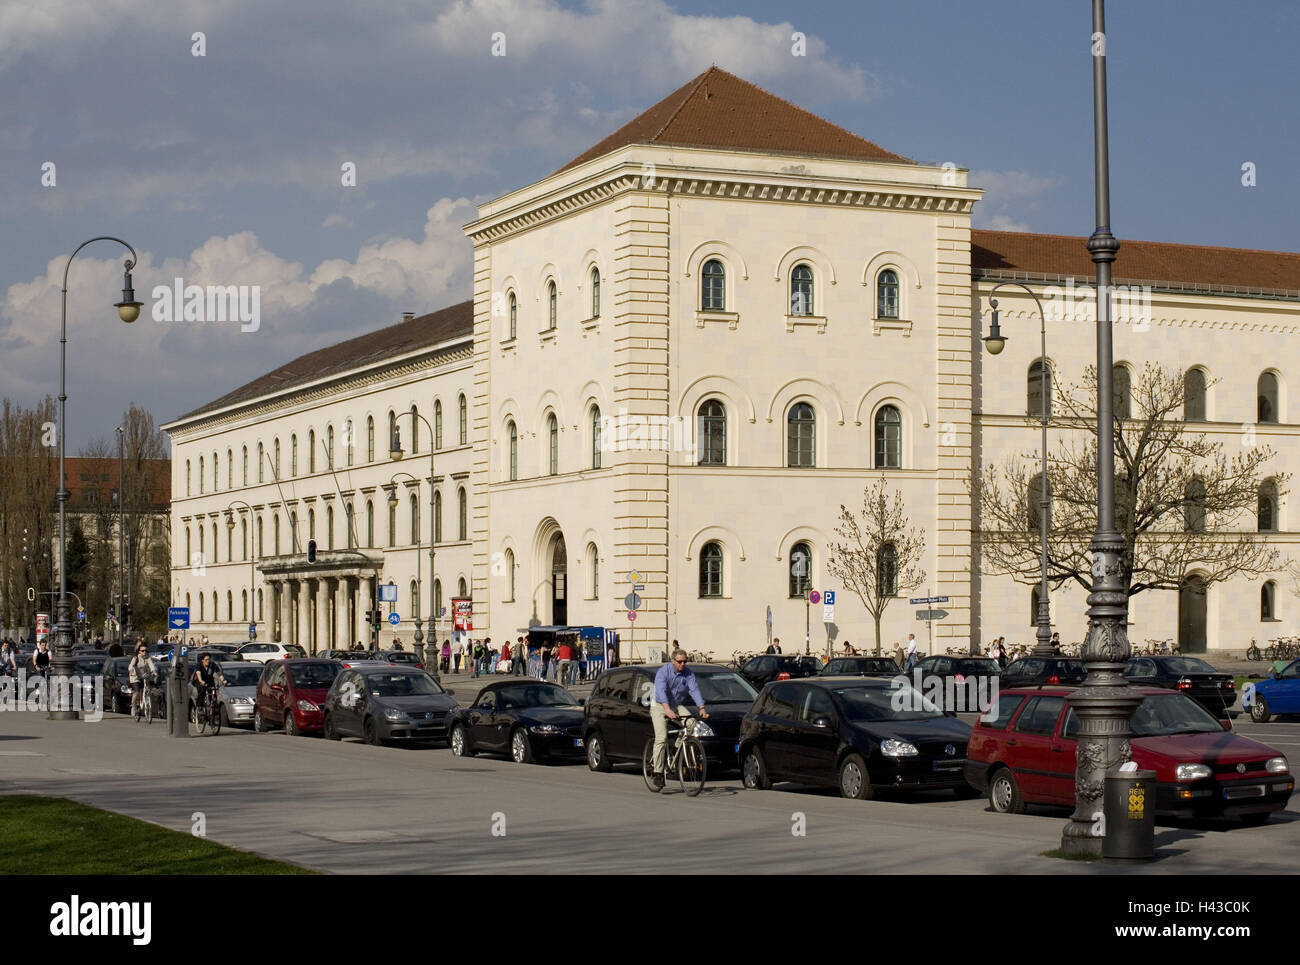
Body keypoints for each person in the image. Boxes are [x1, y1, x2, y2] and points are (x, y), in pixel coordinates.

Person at [648, 649, 710, 791]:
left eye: (684, 661)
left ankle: (677, 746)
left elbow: (694, 689)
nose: (683, 664)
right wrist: (667, 709)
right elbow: (661, 691)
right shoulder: (663, 672)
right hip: (659, 705)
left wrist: (701, 707)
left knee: (691, 723)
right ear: (673, 661)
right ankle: (657, 772)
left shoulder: (688, 673)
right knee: (661, 738)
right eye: (680, 661)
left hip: (675, 704)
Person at [189, 652, 226, 720]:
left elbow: (219, 673)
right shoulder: (199, 665)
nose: (208, 661)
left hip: (209, 680)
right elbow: (198, 673)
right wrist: (201, 681)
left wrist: (223, 680)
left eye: (209, 659)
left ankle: (213, 708)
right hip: (199, 680)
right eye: (206, 659)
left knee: (213, 691)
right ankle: (200, 707)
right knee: (202, 690)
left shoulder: (212, 665)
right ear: (202, 660)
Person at [127, 643, 158, 718]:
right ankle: (133, 707)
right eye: (142, 651)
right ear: (139, 651)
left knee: (147, 689)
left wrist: (154, 671)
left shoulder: (148, 658)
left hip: (144, 676)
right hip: (135, 677)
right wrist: (132, 672)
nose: (144, 652)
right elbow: (130, 666)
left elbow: (151, 665)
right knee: (137, 691)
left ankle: (147, 703)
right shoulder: (136, 658)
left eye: (146, 651)